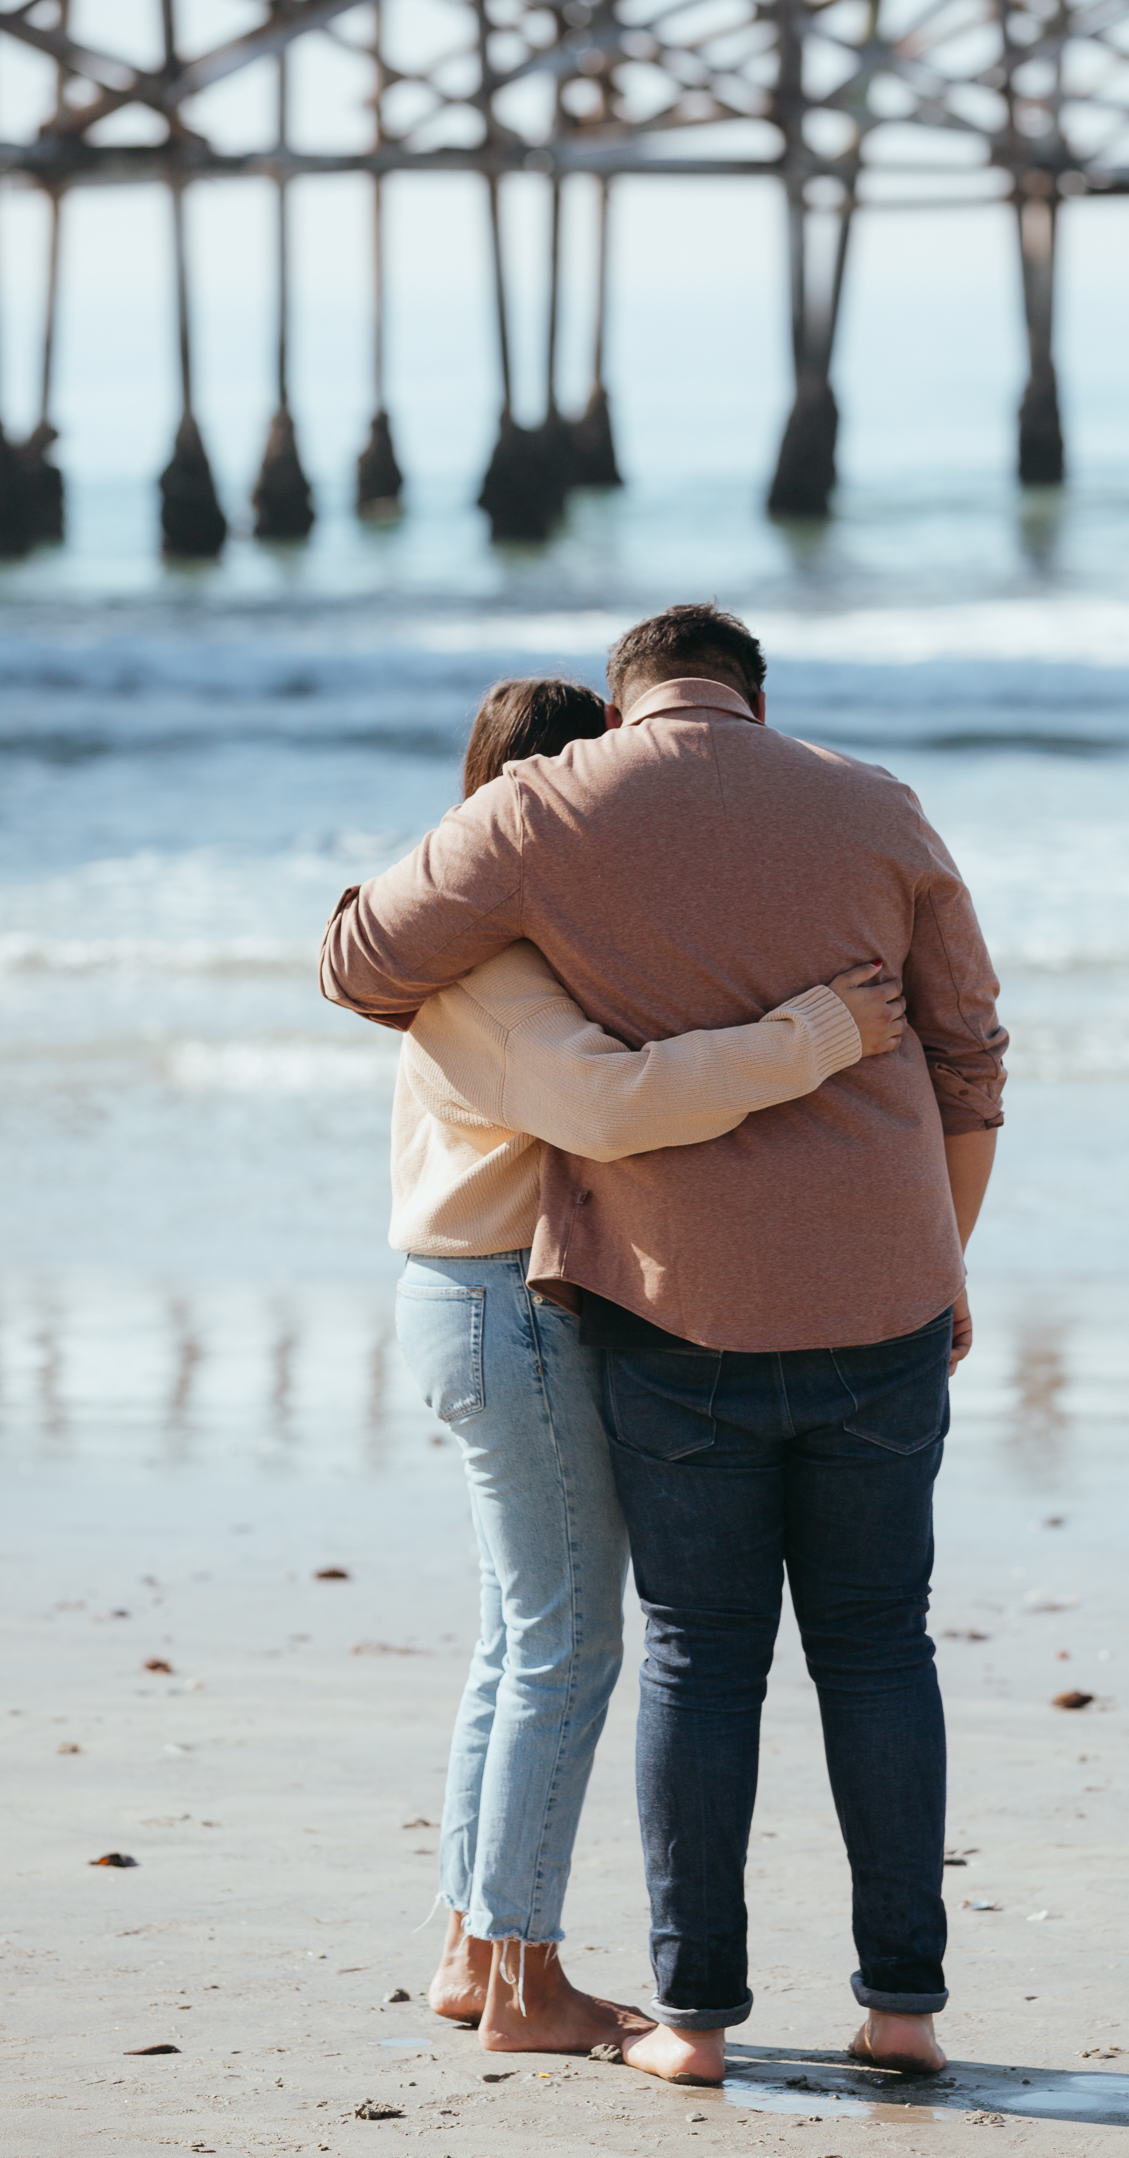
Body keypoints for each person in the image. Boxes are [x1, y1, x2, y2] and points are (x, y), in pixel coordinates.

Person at [322, 606, 1006, 2087]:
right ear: (756, 697)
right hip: (873, 1299)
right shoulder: (876, 803)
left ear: (629, 711)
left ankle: (687, 2017)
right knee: (877, 1646)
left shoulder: (549, 824)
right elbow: (970, 1053)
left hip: (670, 1308)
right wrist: (940, 1250)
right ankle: (899, 2005)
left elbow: (359, 954)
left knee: (686, 1655)